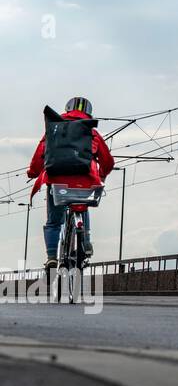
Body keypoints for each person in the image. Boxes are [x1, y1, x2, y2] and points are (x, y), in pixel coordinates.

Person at [26, 96, 115, 268]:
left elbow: (39, 157)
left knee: (54, 221)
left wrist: (32, 172)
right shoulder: (92, 133)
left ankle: (52, 256)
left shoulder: (53, 130)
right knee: (82, 204)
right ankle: (86, 241)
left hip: (57, 182)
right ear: (88, 113)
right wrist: (102, 175)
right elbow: (108, 162)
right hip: (85, 183)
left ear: (67, 110)